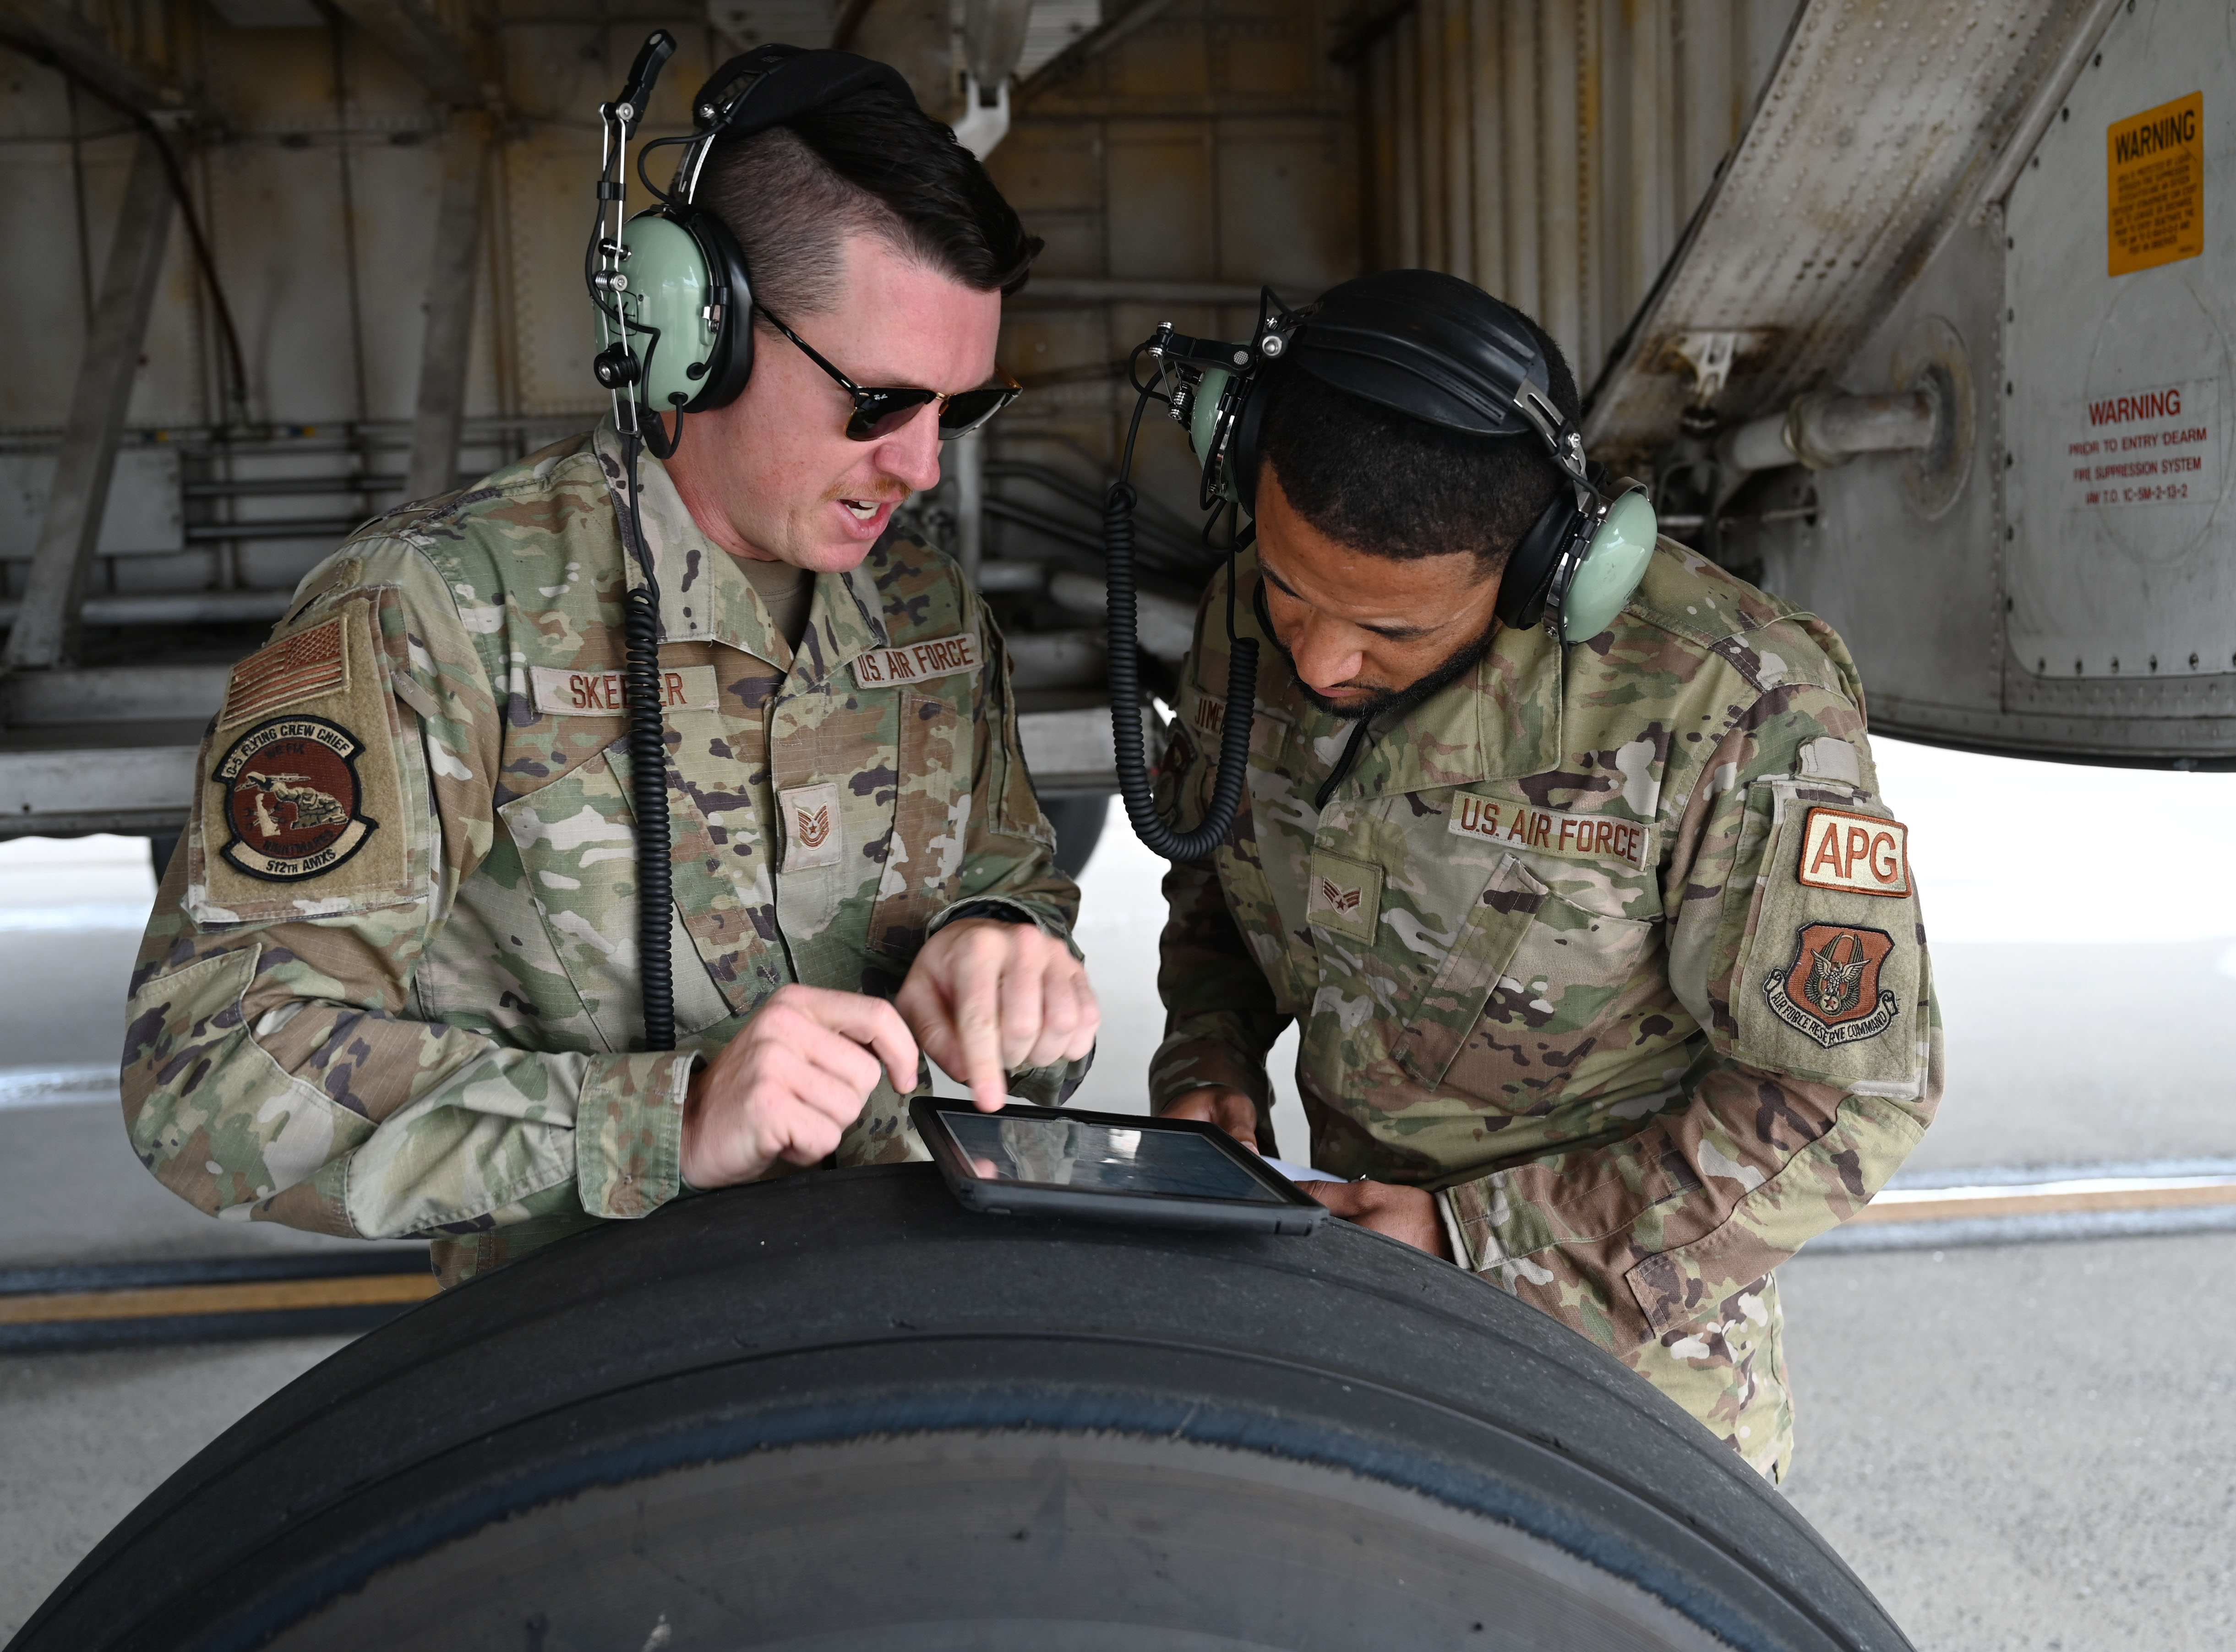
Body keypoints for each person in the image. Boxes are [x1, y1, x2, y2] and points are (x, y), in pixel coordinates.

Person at [120, 62, 1097, 1287]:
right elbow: (209, 1081)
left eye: (961, 410)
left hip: (888, 1310)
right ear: (702, 331)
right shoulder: (438, 611)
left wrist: (1001, 949)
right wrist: (669, 1120)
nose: (917, 465)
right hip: (597, 1353)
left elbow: (1009, 878)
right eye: (878, 403)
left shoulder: (925, 606)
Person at [1151, 272, 1939, 1482]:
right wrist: (1210, 1064)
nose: (1317, 657)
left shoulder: (1733, 705)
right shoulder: (1241, 623)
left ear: (1548, 574)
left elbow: (1845, 1101)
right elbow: (1216, 870)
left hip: (1622, 1389)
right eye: (1289, 586)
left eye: (1391, 633)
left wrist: (1479, 1244)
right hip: (1352, 1313)